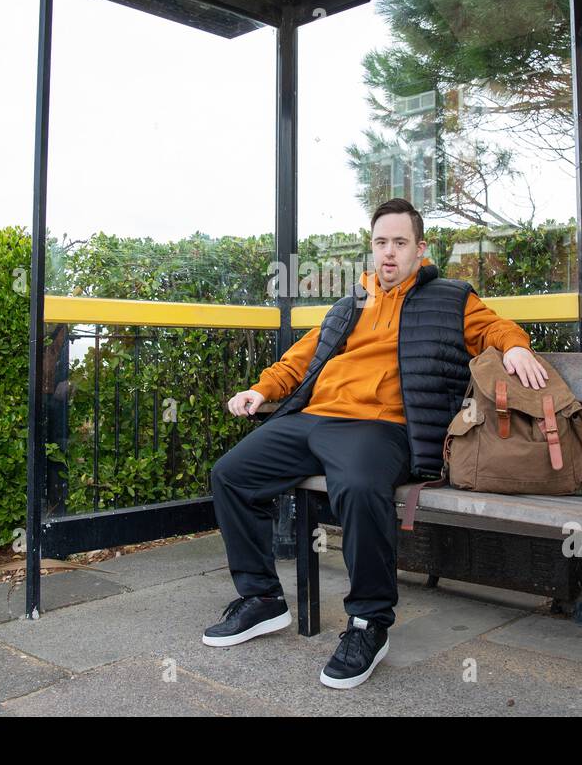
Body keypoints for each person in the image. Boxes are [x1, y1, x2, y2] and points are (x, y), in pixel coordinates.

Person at [204, 198, 548, 689]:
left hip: (381, 427)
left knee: (360, 487)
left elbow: (493, 327)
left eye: (400, 243)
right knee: (231, 474)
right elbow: (301, 359)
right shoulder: (350, 306)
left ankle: (369, 623)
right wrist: (262, 390)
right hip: (314, 418)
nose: (389, 252)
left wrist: (514, 346)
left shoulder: (450, 298)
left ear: (420, 249)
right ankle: (261, 599)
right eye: (381, 242)